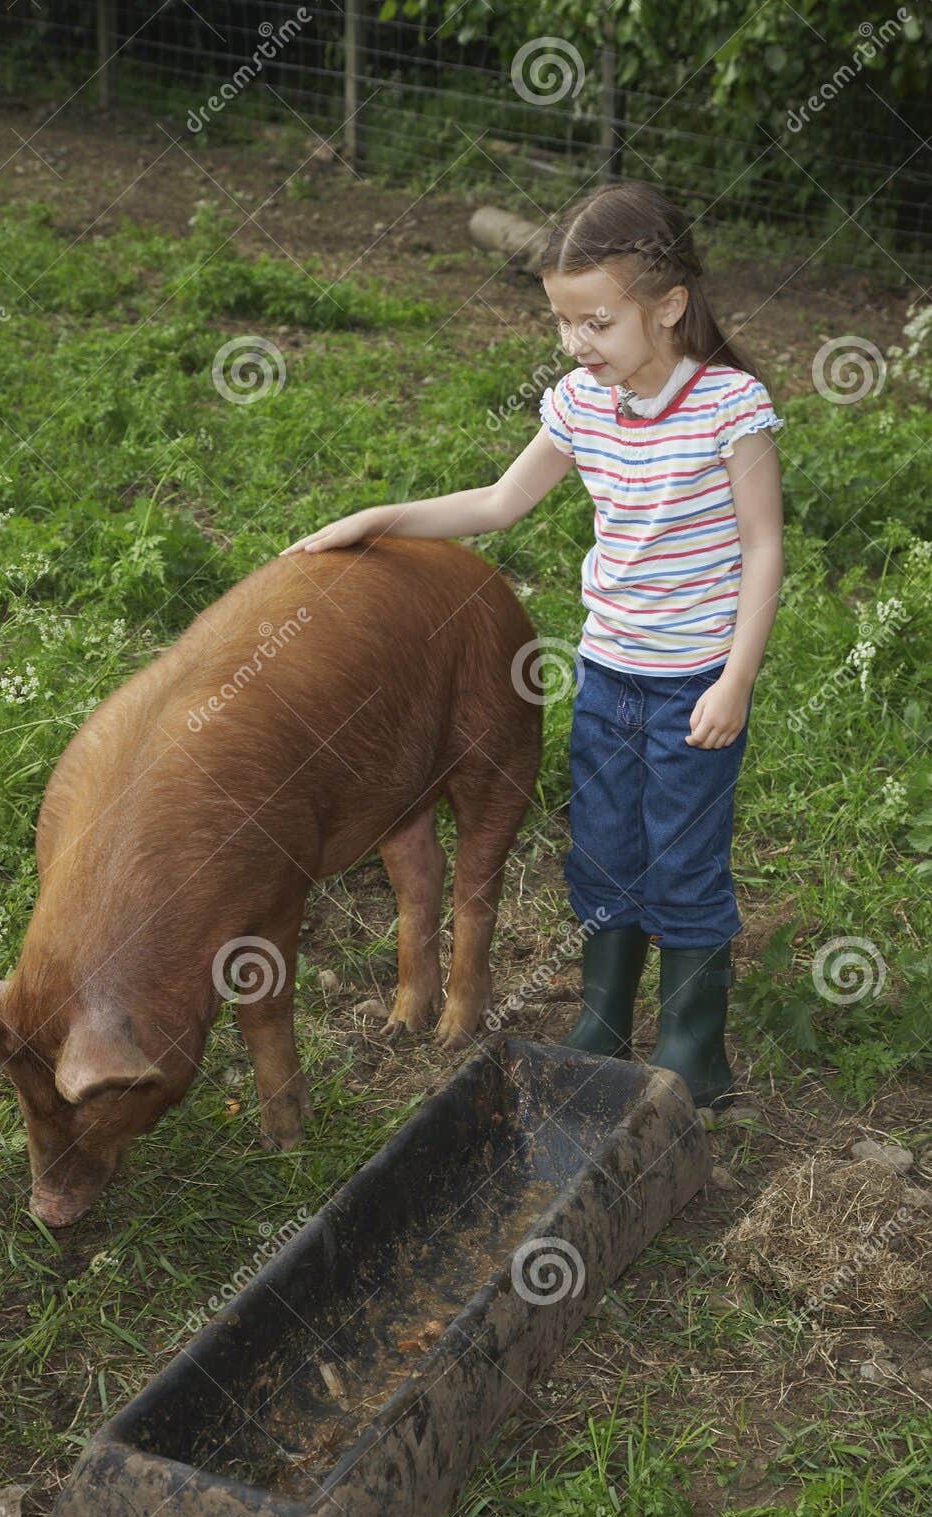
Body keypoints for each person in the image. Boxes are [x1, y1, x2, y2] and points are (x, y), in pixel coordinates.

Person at [281, 180, 785, 1110]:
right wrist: (379, 517)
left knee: (682, 854)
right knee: (598, 849)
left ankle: (691, 1045)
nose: (574, 345)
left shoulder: (729, 407)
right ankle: (601, 1016)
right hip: (606, 675)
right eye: (561, 324)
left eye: (594, 323)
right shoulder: (580, 404)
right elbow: (497, 502)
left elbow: (763, 549)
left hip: (693, 684)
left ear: (668, 307)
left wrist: (736, 678)